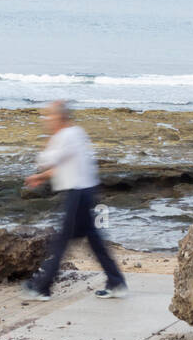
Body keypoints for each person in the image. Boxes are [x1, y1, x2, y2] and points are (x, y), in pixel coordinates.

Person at [22, 100, 127, 300]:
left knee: (61, 241)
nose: (46, 119)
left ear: (59, 117)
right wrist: (39, 178)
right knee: (94, 241)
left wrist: (50, 139)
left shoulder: (64, 136)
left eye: (49, 115)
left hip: (77, 195)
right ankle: (116, 282)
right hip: (86, 192)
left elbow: (46, 160)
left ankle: (41, 287)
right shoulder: (77, 133)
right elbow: (64, 165)